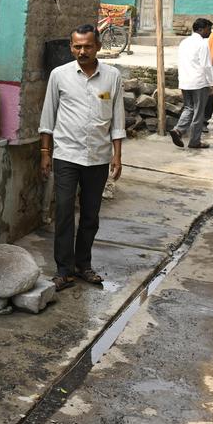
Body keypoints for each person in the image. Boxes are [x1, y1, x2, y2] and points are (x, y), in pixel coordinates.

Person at [38, 24, 125, 291]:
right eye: (77, 46)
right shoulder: (59, 75)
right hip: (66, 155)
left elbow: (117, 117)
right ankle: (63, 270)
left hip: (98, 157)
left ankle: (83, 265)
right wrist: (45, 152)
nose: (82, 51)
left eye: (87, 46)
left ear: (98, 46)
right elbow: (48, 116)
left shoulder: (112, 76)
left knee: (90, 215)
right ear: (71, 47)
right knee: (64, 212)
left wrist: (117, 154)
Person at [172, 18, 213, 149]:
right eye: (209, 29)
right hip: (199, 82)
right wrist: (212, 83)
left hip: (186, 81)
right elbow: (206, 65)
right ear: (201, 29)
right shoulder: (202, 44)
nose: (210, 32)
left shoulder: (184, 42)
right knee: (198, 112)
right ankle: (195, 141)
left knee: (189, 108)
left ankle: (178, 130)